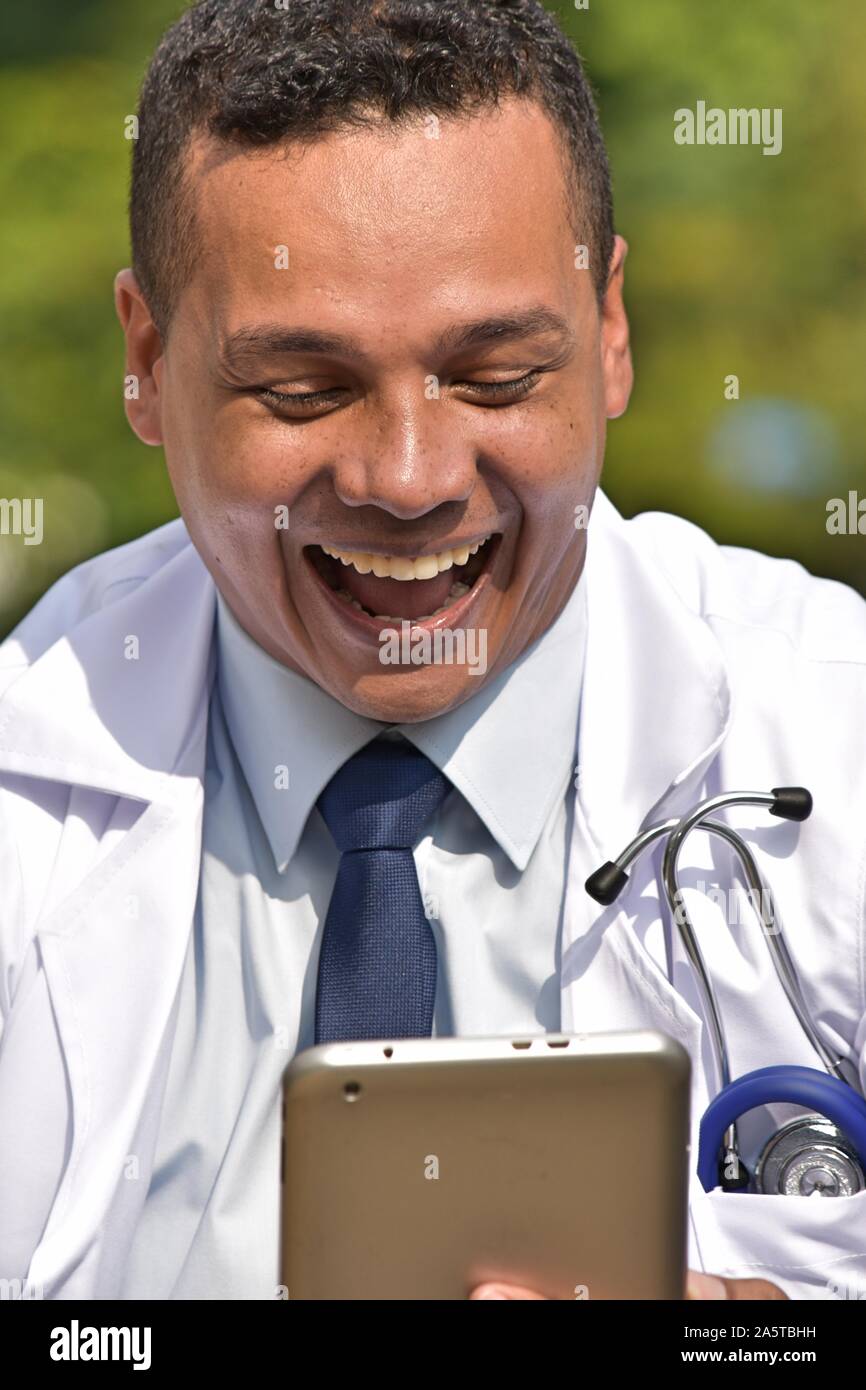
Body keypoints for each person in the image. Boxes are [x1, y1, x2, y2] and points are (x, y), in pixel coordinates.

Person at [1, 0, 864, 1303]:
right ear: (144, 359)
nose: (406, 479)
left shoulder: (835, 732)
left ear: (611, 329)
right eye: (300, 389)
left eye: (497, 374)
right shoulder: (27, 772)